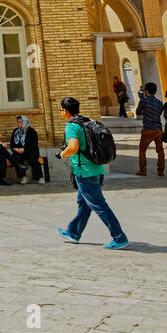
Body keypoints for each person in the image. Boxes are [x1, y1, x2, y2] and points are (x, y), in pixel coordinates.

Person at [56, 96, 129, 249]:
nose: (60, 112)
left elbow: (73, 147)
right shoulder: (86, 121)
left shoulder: (71, 126)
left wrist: (62, 154)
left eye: (61, 109)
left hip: (85, 173)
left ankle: (119, 237)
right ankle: (73, 232)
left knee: (100, 206)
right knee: (84, 204)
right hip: (97, 169)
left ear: (66, 111)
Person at [134, 82, 166, 177]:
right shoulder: (160, 102)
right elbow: (158, 113)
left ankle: (143, 170)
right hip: (158, 129)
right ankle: (161, 171)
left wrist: (144, 111)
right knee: (160, 151)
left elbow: (138, 112)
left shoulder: (144, 101)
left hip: (148, 128)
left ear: (146, 91)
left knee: (142, 150)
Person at [9, 115, 44, 183]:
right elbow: (12, 143)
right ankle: (24, 176)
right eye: (17, 122)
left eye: (20, 122)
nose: (18, 123)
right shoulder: (16, 131)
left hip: (31, 151)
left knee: (33, 160)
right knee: (15, 159)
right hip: (18, 152)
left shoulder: (31, 131)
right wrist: (15, 149)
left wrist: (24, 150)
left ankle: (40, 177)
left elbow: (33, 144)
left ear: (25, 122)